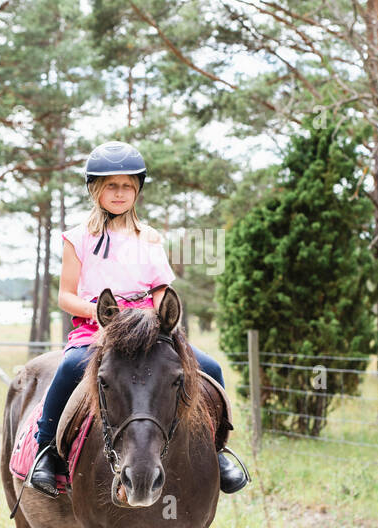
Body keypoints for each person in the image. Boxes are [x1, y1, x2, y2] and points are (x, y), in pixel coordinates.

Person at [27, 139, 249, 496]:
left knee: (211, 368)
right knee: (69, 369)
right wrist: (103, 315)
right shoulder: (77, 238)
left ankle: (218, 451)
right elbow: (66, 296)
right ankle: (47, 452)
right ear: (95, 189)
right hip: (97, 332)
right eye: (111, 186)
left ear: (137, 190)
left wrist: (162, 317)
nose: (119, 193)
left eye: (127, 186)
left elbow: (161, 287)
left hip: (148, 329)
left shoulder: (149, 238)